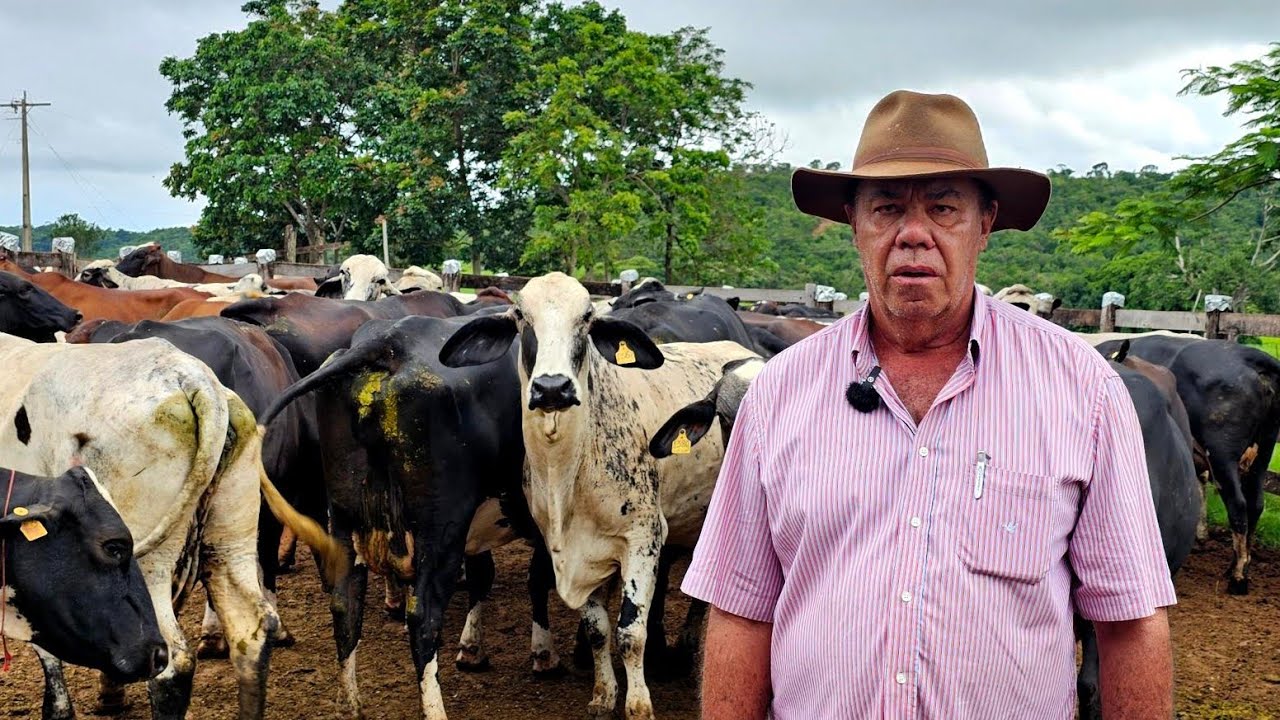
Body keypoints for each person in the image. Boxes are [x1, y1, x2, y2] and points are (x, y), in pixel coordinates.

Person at [681, 90, 1175, 719]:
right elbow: (741, 610)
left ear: (985, 223)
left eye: (943, 208)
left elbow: (1130, 619)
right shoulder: (779, 392)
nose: (914, 236)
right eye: (887, 209)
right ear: (855, 225)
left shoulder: (1082, 389)